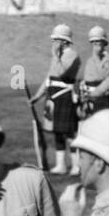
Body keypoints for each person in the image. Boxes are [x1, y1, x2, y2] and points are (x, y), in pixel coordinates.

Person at [30, 24, 83, 175]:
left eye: (56, 40)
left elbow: (61, 72)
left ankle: (76, 165)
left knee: (69, 132)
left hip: (65, 97)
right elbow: (49, 77)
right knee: (56, 132)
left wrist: (55, 55)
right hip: (52, 97)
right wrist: (38, 95)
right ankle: (60, 165)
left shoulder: (71, 55)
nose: (53, 43)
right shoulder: (58, 55)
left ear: (64, 41)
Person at [79, 26, 109, 117]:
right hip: (89, 98)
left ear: (104, 43)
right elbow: (87, 78)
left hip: (104, 97)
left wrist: (96, 56)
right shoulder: (89, 61)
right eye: (93, 42)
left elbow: (105, 77)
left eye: (98, 41)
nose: (95, 44)